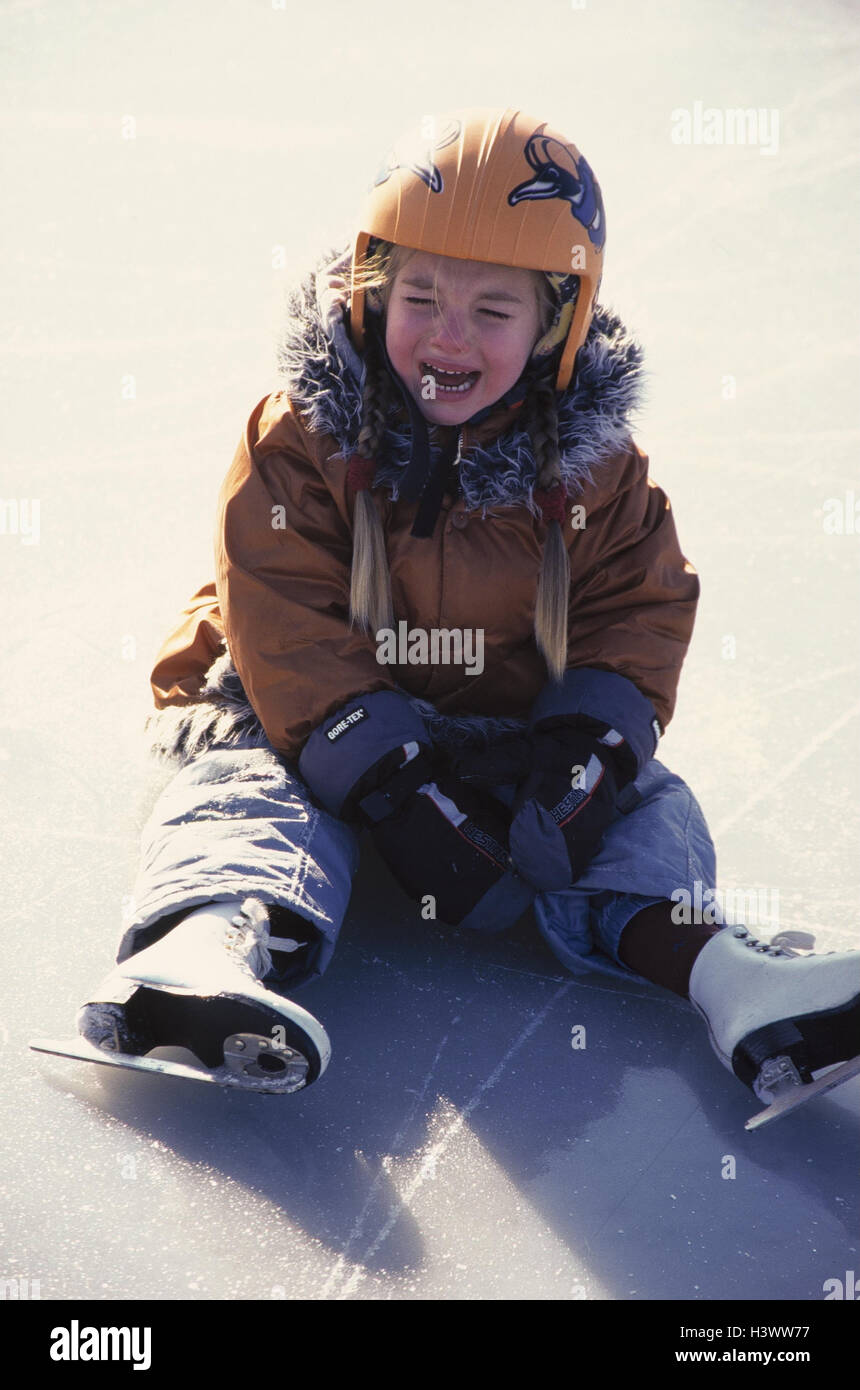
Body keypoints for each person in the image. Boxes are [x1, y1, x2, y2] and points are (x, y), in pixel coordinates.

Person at [72, 108, 858, 1110]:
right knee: (246, 789)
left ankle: (733, 982)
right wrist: (389, 779)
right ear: (370, 290)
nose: (447, 334)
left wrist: (586, 751)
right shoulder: (301, 438)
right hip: (310, 716)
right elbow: (280, 607)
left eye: (491, 311)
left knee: (649, 804)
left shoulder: (598, 471)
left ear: (555, 327)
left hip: (506, 727)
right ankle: (199, 953)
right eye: (420, 296)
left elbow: (634, 606)